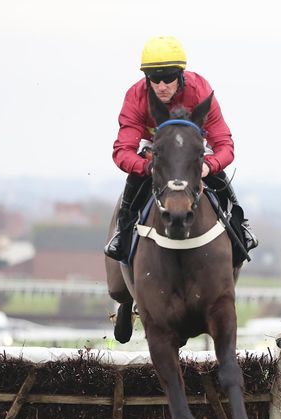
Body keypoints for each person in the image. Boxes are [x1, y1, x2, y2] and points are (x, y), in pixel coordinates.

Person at [105, 35, 257, 262]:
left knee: (219, 177)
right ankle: (123, 228)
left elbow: (225, 145)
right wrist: (147, 167)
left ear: (181, 75)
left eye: (168, 78)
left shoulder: (200, 90)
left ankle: (239, 226)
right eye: (154, 79)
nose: (161, 86)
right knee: (135, 179)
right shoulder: (135, 97)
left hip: (190, 147)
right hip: (154, 148)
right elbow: (122, 151)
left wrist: (208, 165)